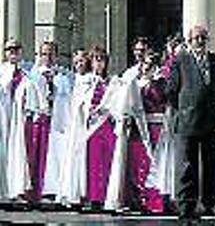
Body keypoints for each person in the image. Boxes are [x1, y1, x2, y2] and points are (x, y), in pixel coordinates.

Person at [104, 38, 173, 214]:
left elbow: (163, 99)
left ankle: (155, 201)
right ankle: (137, 199)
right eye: (137, 51)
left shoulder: (162, 78)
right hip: (137, 128)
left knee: (155, 163)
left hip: (157, 126)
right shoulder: (131, 76)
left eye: (144, 52)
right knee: (137, 163)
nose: (141, 56)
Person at [164, 25, 215, 220]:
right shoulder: (180, 61)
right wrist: (181, 111)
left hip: (211, 121)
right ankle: (186, 205)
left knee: (210, 164)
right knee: (186, 165)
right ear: (189, 41)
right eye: (196, 38)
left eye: (203, 38)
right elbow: (171, 91)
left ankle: (211, 203)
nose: (200, 41)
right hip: (187, 121)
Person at [29, 40, 73, 203]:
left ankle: (52, 190)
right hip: (39, 120)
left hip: (57, 122)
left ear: (56, 56)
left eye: (50, 54)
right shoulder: (33, 75)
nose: (47, 57)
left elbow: (68, 99)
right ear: (39, 55)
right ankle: (35, 191)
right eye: (44, 54)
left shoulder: (63, 77)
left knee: (54, 157)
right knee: (37, 155)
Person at [0, 38, 41, 204]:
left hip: (17, 119)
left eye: (16, 49)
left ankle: (15, 190)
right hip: (3, 116)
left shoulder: (26, 73)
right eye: (10, 49)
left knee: (17, 152)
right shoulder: (2, 71)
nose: (13, 52)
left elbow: (33, 94)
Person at [56, 50, 94, 207]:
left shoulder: (91, 79)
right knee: (71, 155)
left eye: (82, 61)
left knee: (82, 154)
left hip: (83, 121)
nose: (79, 64)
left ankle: (84, 192)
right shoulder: (70, 79)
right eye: (77, 61)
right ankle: (70, 192)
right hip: (72, 123)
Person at [84, 46, 117, 210]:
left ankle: (106, 196)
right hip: (92, 126)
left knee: (107, 161)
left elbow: (117, 102)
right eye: (96, 59)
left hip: (107, 125)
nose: (99, 62)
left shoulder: (112, 81)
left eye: (102, 59)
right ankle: (93, 197)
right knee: (93, 161)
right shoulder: (85, 80)